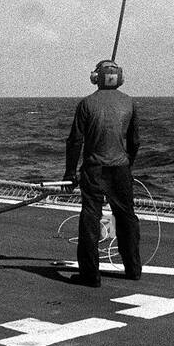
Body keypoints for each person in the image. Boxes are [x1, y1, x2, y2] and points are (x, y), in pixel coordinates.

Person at [64, 59, 142, 287]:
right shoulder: (129, 103)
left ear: (96, 78)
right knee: (127, 217)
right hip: (120, 169)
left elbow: (75, 141)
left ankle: (90, 275)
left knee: (90, 217)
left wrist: (69, 173)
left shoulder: (86, 104)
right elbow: (135, 141)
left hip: (94, 170)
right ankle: (134, 269)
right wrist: (129, 164)